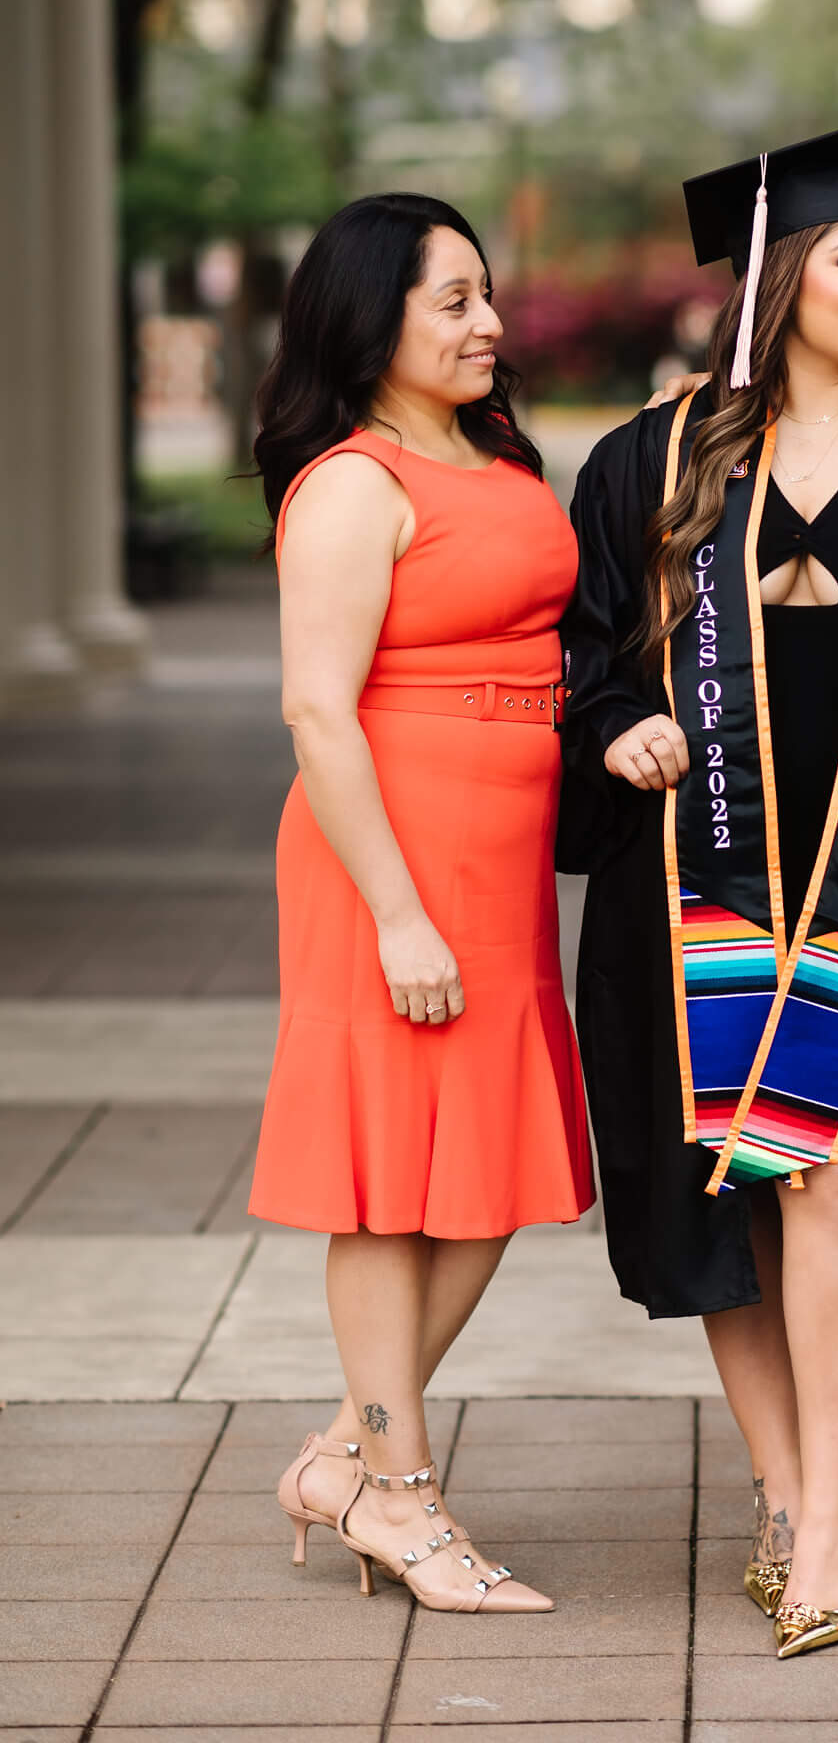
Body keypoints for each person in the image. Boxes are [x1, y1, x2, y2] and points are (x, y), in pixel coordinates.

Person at [561, 119, 838, 1658]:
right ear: (778, 284)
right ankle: (783, 1486)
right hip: (689, 884)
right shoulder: (657, 459)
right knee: (734, 1190)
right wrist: (619, 723)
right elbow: (578, 656)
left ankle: (834, 1515)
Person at [249, 191, 593, 1613]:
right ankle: (401, 1496)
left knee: (491, 1175)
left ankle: (347, 1456)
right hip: (389, 859)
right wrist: (397, 913)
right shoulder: (351, 483)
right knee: (393, 1184)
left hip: (497, 864)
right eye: (451, 300)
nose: (490, 323)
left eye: (487, 294)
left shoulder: (492, 454)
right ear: (367, 315)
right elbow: (318, 716)